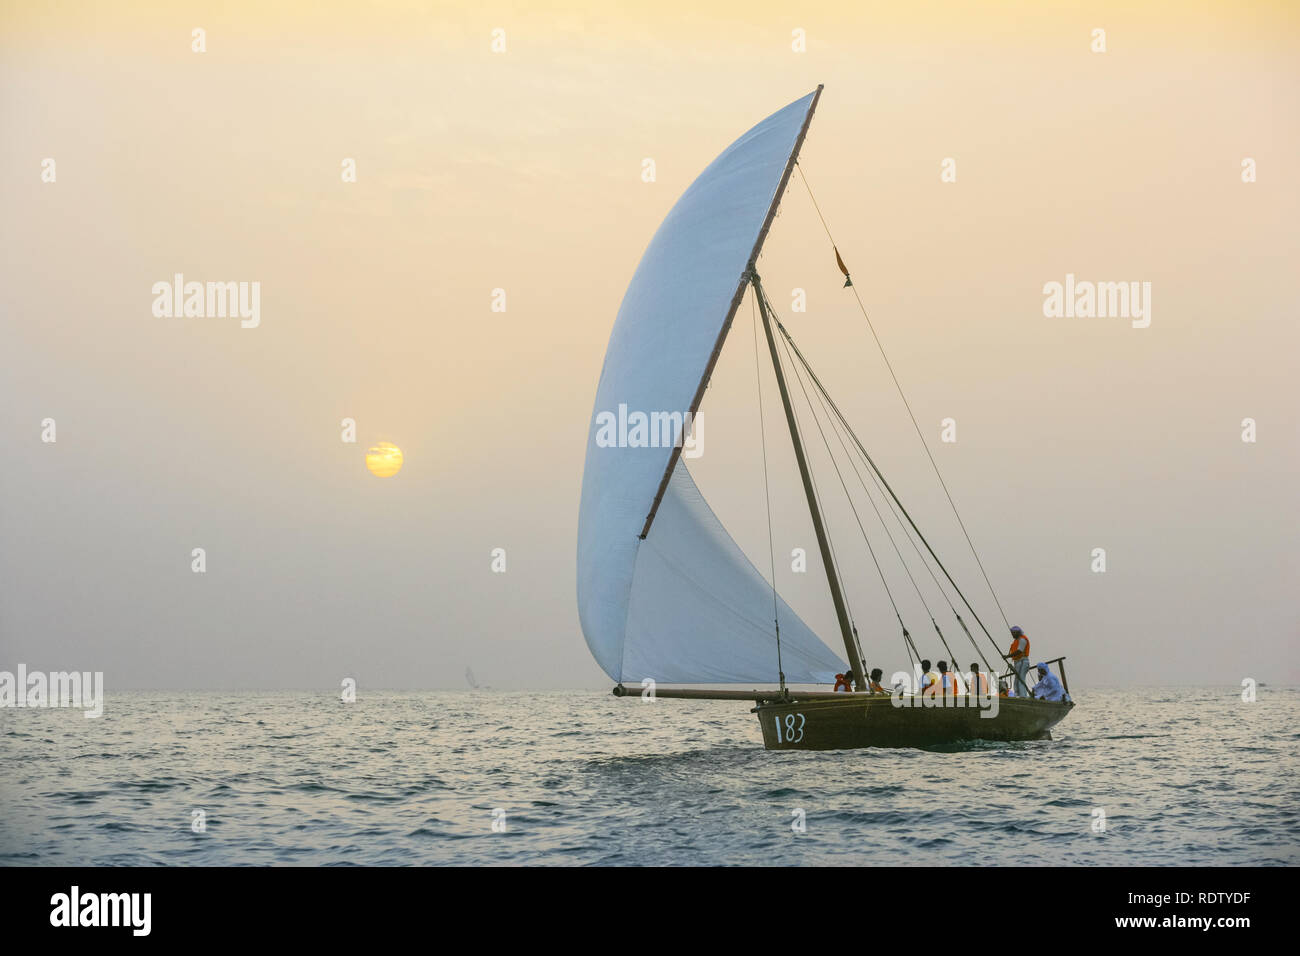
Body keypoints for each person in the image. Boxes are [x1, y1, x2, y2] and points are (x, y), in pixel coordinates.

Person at [1006, 626, 1031, 697]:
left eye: (1014, 633)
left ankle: (1023, 695)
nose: (1012, 635)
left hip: (1023, 661)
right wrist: (1008, 656)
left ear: (1018, 632)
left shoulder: (1023, 640)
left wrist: (1008, 656)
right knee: (1017, 680)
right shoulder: (1016, 641)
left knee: (1021, 679)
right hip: (1017, 662)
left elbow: (1019, 651)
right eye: (1012, 633)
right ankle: (1017, 695)